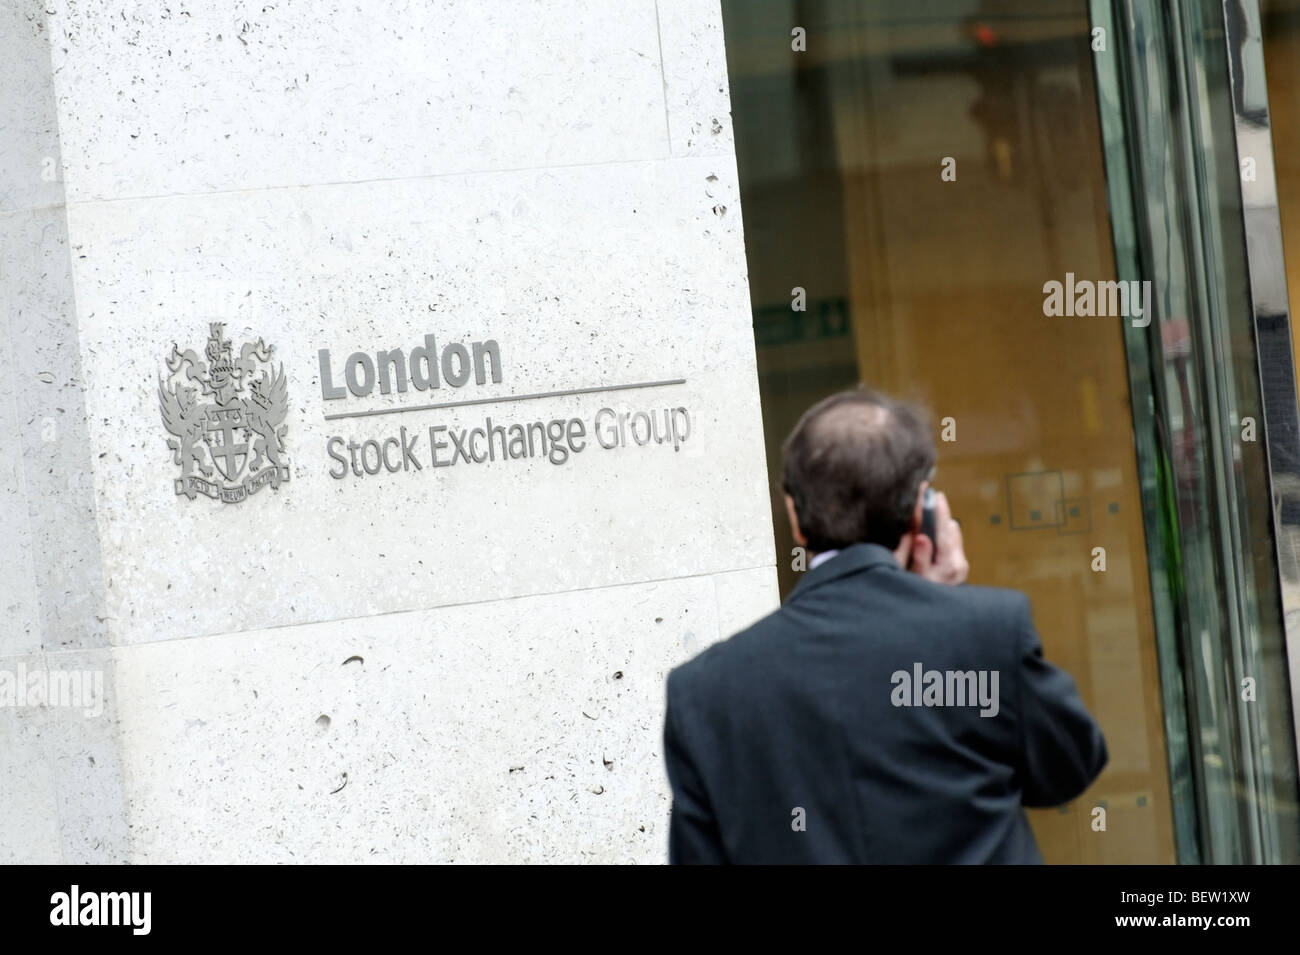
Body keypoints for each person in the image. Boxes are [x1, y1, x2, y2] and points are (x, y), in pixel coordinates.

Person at [663, 387, 1108, 864]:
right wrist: (945, 605)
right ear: (922, 510)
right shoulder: (987, 634)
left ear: (794, 517)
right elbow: (1071, 766)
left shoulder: (706, 693)